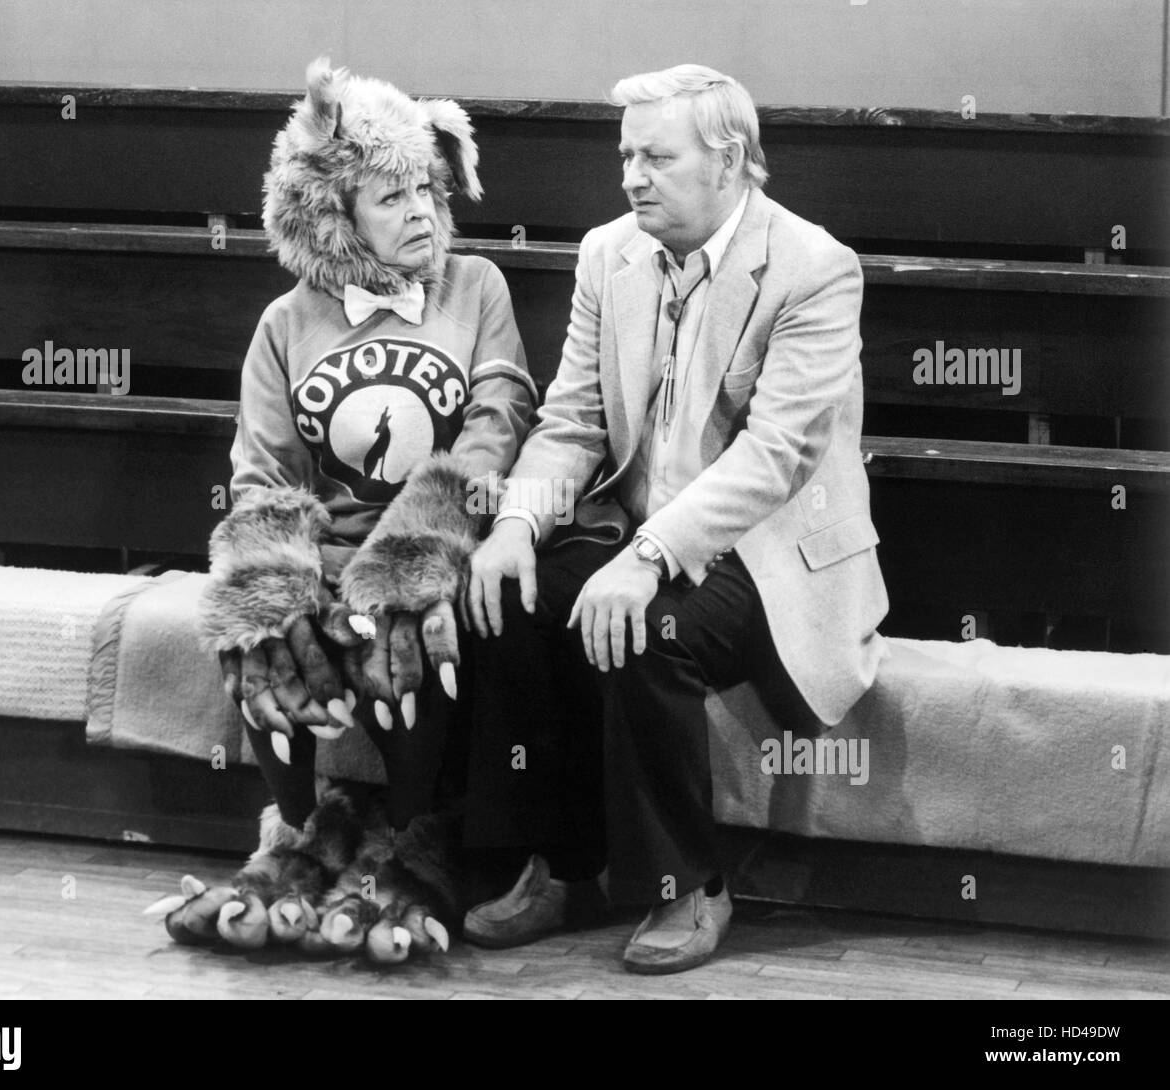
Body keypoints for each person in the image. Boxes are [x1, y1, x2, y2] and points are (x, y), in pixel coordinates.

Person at [462, 64, 889, 974]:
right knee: (506, 594)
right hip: (635, 527)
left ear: (729, 161)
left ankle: (688, 885)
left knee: (647, 631)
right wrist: (514, 526)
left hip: (770, 553)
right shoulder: (607, 252)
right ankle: (566, 864)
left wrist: (651, 556)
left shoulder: (814, 267)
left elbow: (773, 457)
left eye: (656, 156)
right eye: (626, 155)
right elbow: (571, 419)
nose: (632, 176)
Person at [146, 58, 536, 963]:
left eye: (428, 194)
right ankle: (289, 837)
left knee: (407, 611)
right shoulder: (285, 322)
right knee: (264, 624)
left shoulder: (476, 289)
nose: (423, 216)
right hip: (329, 549)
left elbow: (499, 420)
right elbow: (264, 477)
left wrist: (419, 546)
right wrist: (277, 586)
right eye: (393, 198)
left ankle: (411, 842)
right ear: (334, 214)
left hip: (432, 543)